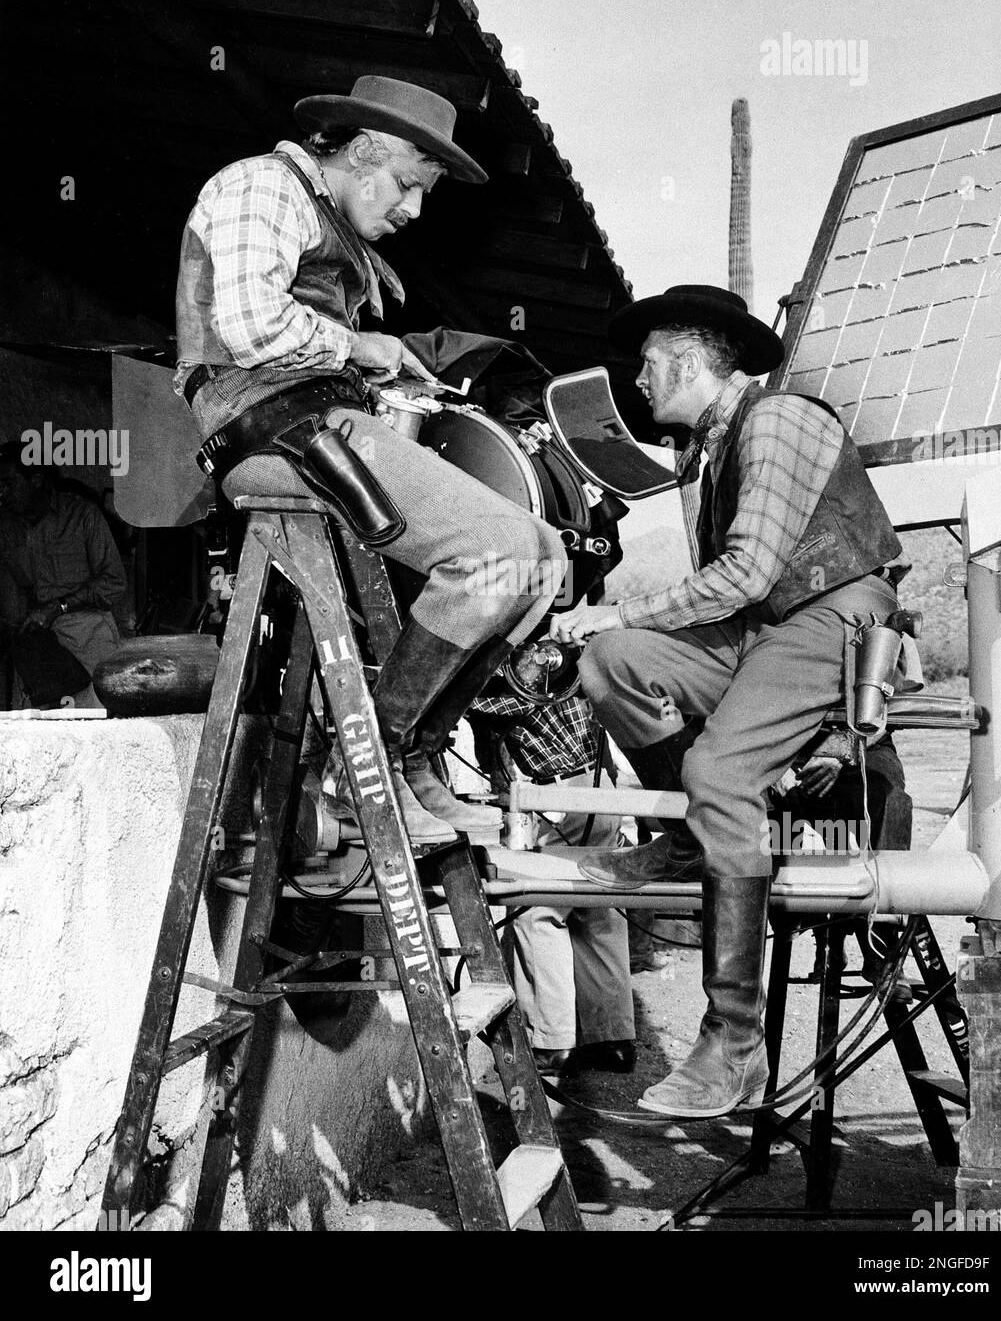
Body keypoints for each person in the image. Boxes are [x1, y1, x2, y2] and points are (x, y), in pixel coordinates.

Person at [174, 75, 567, 844]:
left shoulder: (325, 219)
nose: (412, 211)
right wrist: (361, 346)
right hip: (269, 426)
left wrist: (385, 366)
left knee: (544, 559)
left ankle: (413, 754)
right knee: (498, 549)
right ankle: (365, 769)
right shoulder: (263, 184)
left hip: (316, 416)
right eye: (407, 185)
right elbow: (251, 326)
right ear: (360, 153)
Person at [549, 285, 904, 1118]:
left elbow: (743, 574)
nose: (636, 383)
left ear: (682, 357)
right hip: (762, 627)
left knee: (715, 762)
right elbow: (733, 597)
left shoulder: (776, 420)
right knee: (614, 662)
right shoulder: (705, 452)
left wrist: (614, 604)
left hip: (832, 615)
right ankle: (689, 835)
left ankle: (733, 1041)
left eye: (645, 366)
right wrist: (609, 627)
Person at [470, 692, 636, 1075]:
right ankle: (611, 1041)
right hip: (599, 786)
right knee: (597, 912)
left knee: (537, 910)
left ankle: (552, 1042)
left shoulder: (519, 671)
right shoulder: (563, 657)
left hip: (564, 792)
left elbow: (482, 700)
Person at [0, 444, 126, 707]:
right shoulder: (7, 528)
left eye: (8, 483)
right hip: (37, 644)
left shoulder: (81, 515)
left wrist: (58, 607)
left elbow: (114, 582)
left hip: (87, 635)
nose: (3, 492)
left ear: (35, 481)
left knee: (97, 724)